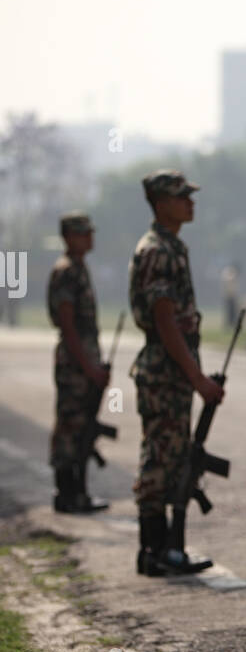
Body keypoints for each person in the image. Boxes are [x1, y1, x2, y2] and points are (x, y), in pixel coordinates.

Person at [129, 170, 223, 576]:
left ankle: (166, 550)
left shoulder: (171, 246)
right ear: (161, 202)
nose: (191, 202)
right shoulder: (159, 251)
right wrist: (198, 379)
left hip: (172, 372)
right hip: (165, 373)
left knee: (171, 459)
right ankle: (153, 552)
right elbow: (164, 319)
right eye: (182, 196)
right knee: (158, 460)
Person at [46, 211, 110, 512]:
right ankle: (67, 492)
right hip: (74, 365)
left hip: (82, 362)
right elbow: (68, 326)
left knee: (83, 426)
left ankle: (78, 492)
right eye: (84, 233)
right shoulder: (66, 271)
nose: (90, 237)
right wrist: (89, 368)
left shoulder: (79, 268)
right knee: (71, 427)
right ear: (69, 236)